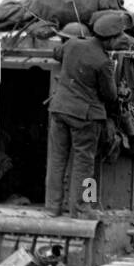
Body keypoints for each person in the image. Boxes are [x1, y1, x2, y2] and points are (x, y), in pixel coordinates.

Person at [45, 23, 117, 217]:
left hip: (59, 110)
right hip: (85, 117)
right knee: (84, 163)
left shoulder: (72, 44)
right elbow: (110, 95)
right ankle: (81, 207)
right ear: (109, 39)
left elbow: (56, 53)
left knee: (57, 160)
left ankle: (52, 208)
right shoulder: (103, 61)